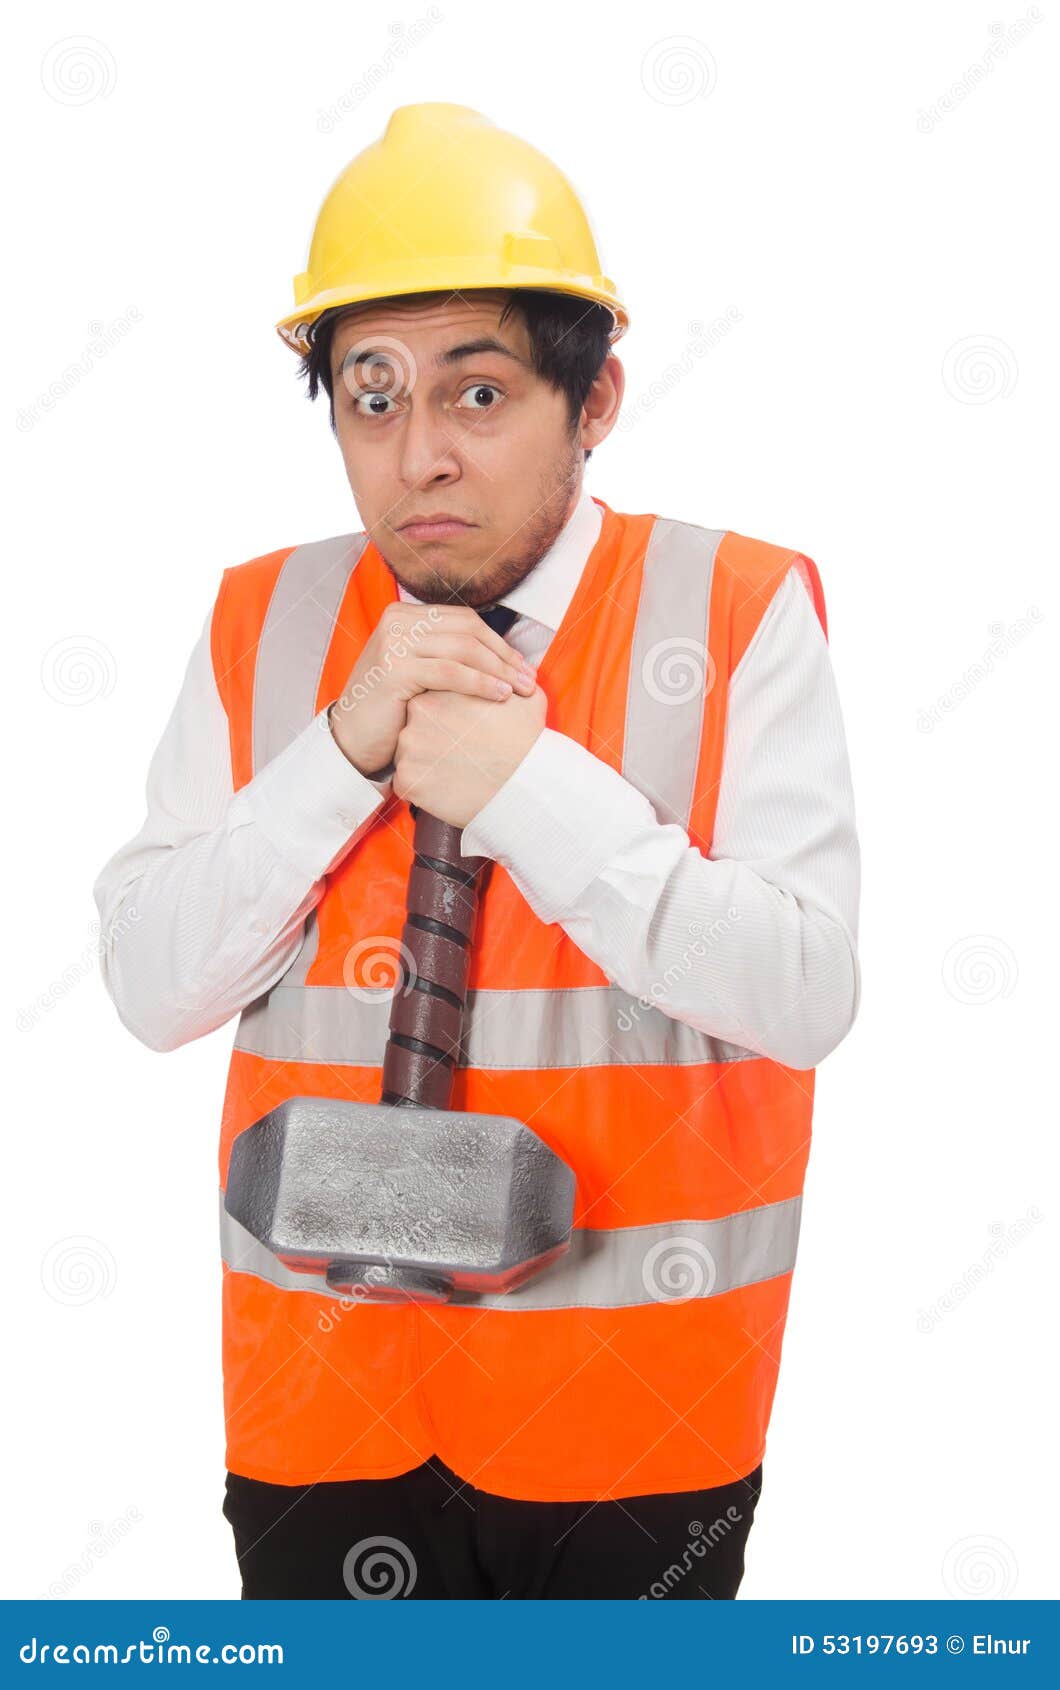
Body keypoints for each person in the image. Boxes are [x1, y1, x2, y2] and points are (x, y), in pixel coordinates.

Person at [93, 102, 861, 1600]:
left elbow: (806, 989)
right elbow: (149, 986)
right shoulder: (264, 620)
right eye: (371, 396)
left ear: (597, 398)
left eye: (481, 392)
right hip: (323, 1410)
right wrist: (340, 754)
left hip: (638, 1423)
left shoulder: (732, 609)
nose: (421, 455)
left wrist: (526, 786)